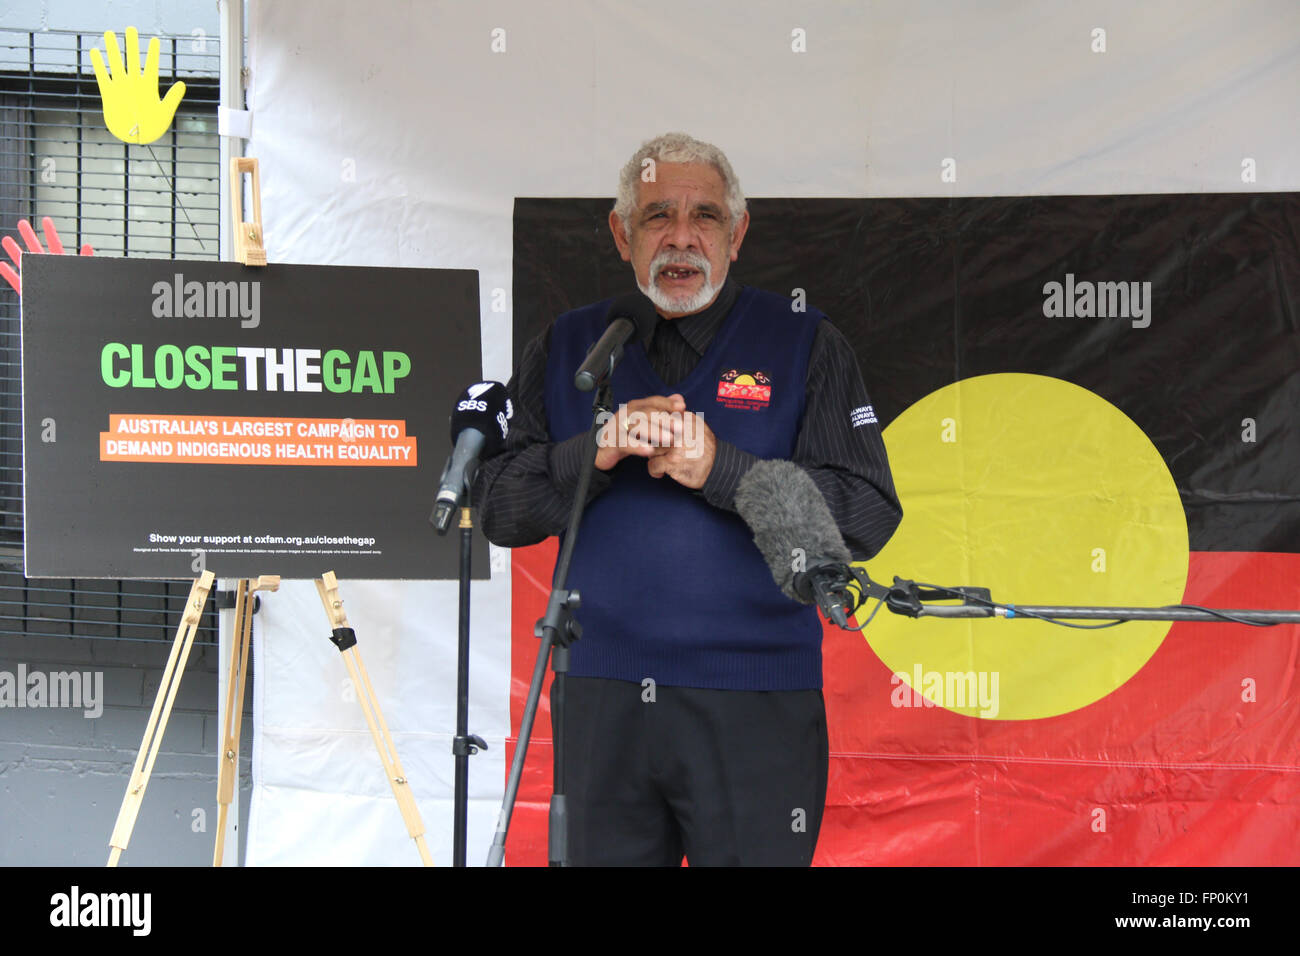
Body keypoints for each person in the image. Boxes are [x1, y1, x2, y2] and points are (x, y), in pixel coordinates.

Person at [474, 132, 902, 866]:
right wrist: (598, 450)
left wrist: (723, 469)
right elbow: (501, 512)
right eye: (656, 217)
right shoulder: (571, 345)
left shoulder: (804, 343)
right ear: (621, 234)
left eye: (704, 216)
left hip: (756, 704)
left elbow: (866, 511)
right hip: (600, 700)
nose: (680, 238)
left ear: (737, 235)